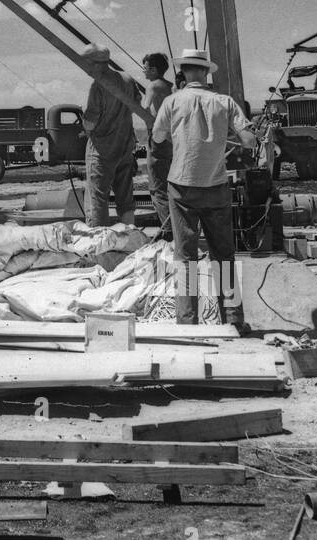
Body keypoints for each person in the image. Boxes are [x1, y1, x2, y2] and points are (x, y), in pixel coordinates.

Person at [151, 49, 257, 332]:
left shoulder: (172, 101)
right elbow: (249, 140)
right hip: (216, 185)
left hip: (182, 186)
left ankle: (188, 323)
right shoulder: (224, 102)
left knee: (185, 258)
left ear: (183, 72)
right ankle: (233, 320)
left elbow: (158, 136)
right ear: (207, 73)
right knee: (223, 256)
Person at [80, 45, 152, 228]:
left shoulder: (98, 86)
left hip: (102, 150)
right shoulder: (126, 78)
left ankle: (98, 242)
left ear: (95, 64)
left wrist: (85, 128)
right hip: (125, 146)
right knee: (125, 197)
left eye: (86, 64)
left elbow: (90, 121)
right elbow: (137, 104)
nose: (85, 69)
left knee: (97, 199)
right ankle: (129, 235)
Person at [142, 51, 175, 240]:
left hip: (157, 140)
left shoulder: (153, 86)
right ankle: (171, 225)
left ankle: (168, 229)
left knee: (157, 188)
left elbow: (145, 109)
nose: (143, 71)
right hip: (170, 139)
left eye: (145, 67)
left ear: (153, 69)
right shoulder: (168, 86)